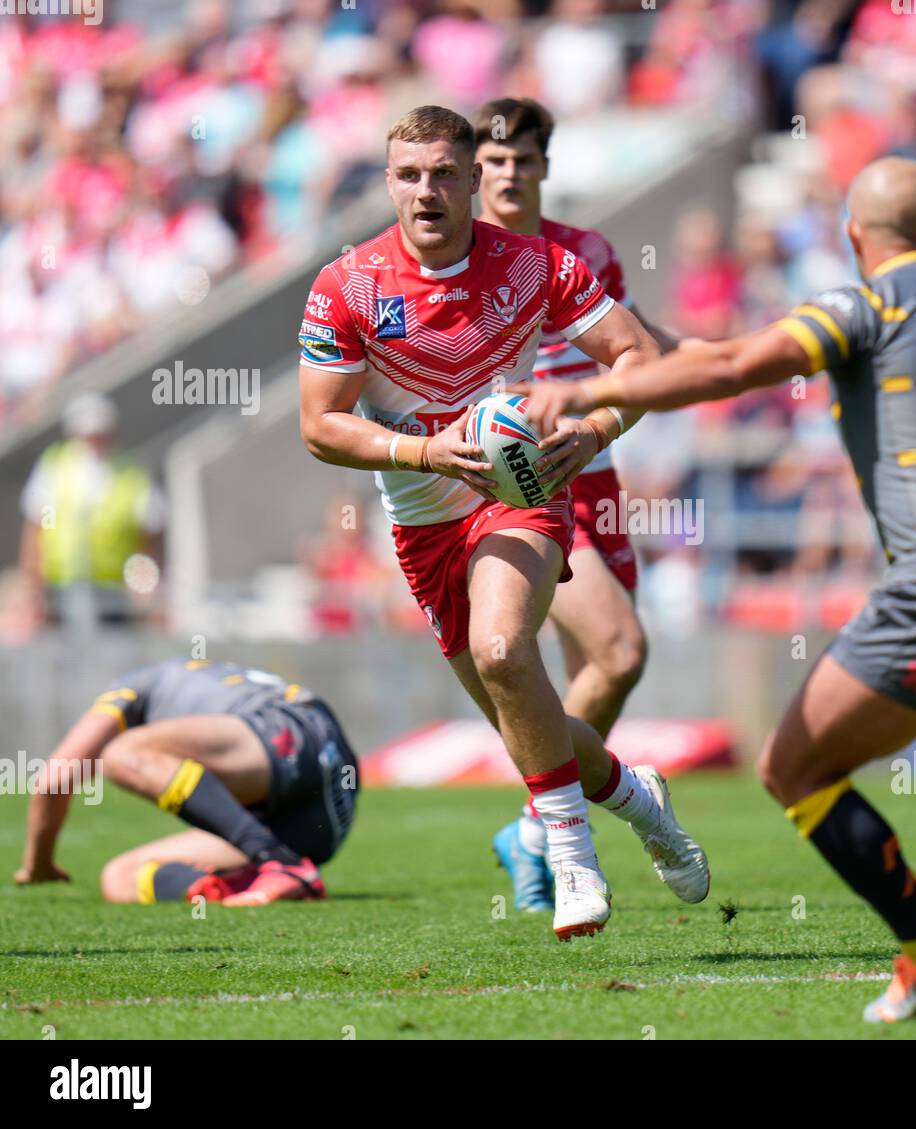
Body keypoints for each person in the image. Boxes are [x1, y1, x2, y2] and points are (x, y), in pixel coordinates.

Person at [520, 156, 916, 1021]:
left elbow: (731, 367)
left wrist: (598, 386)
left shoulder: (862, 307)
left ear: (853, 239)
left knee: (794, 764)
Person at [296, 105, 709, 941]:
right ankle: (641, 800)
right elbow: (320, 424)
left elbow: (639, 358)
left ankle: (571, 857)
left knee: (501, 648)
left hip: (519, 489)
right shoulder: (350, 286)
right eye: (410, 175)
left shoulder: (536, 265)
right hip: (422, 523)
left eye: (445, 173)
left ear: (472, 180)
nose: (427, 191)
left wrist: (591, 431)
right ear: (388, 182)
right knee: (530, 718)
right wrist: (422, 455)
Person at [472, 96, 681, 912]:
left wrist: (701, 355)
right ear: (471, 171)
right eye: (493, 161)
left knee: (599, 672)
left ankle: (531, 828)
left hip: (590, 471)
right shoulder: (461, 258)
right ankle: (546, 828)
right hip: (516, 481)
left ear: (545, 166)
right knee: (622, 650)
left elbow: (630, 351)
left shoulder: (585, 251)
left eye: (523, 158)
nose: (509, 173)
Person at [15, 659, 357, 906]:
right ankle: (261, 877)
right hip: (323, 818)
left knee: (121, 753)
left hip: (289, 733)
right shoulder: (207, 678)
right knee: (120, 877)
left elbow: (56, 777)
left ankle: (278, 863)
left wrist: (38, 865)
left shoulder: (133, 687)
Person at [19, 393, 166, 629]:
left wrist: (144, 584)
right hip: (61, 587)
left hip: (114, 592)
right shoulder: (55, 469)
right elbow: (38, 528)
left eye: (100, 435)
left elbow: (149, 534)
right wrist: (33, 586)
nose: (94, 442)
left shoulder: (132, 473)